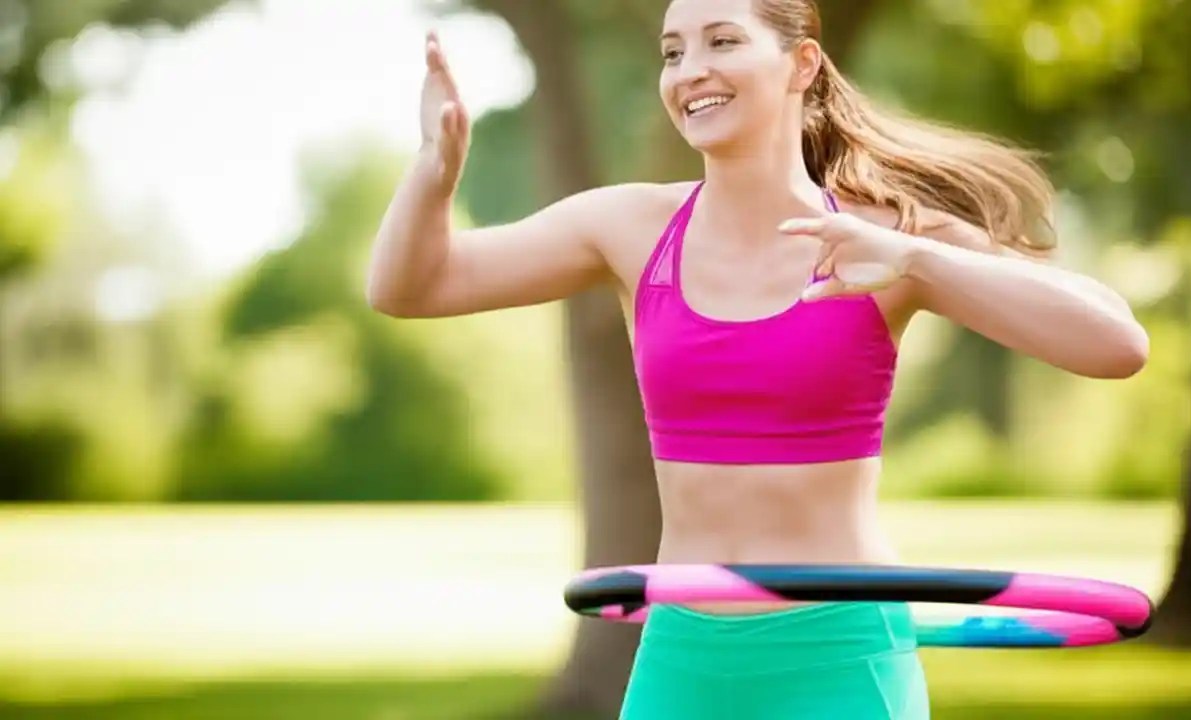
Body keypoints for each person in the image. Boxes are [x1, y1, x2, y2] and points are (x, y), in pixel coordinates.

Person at [366, 0, 1149, 717]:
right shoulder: (630, 227)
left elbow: (1116, 343)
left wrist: (917, 260)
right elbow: (413, 286)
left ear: (802, 65)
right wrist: (434, 173)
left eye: (722, 41)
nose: (689, 71)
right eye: (672, 52)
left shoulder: (887, 238)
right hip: (684, 656)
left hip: (841, 655)